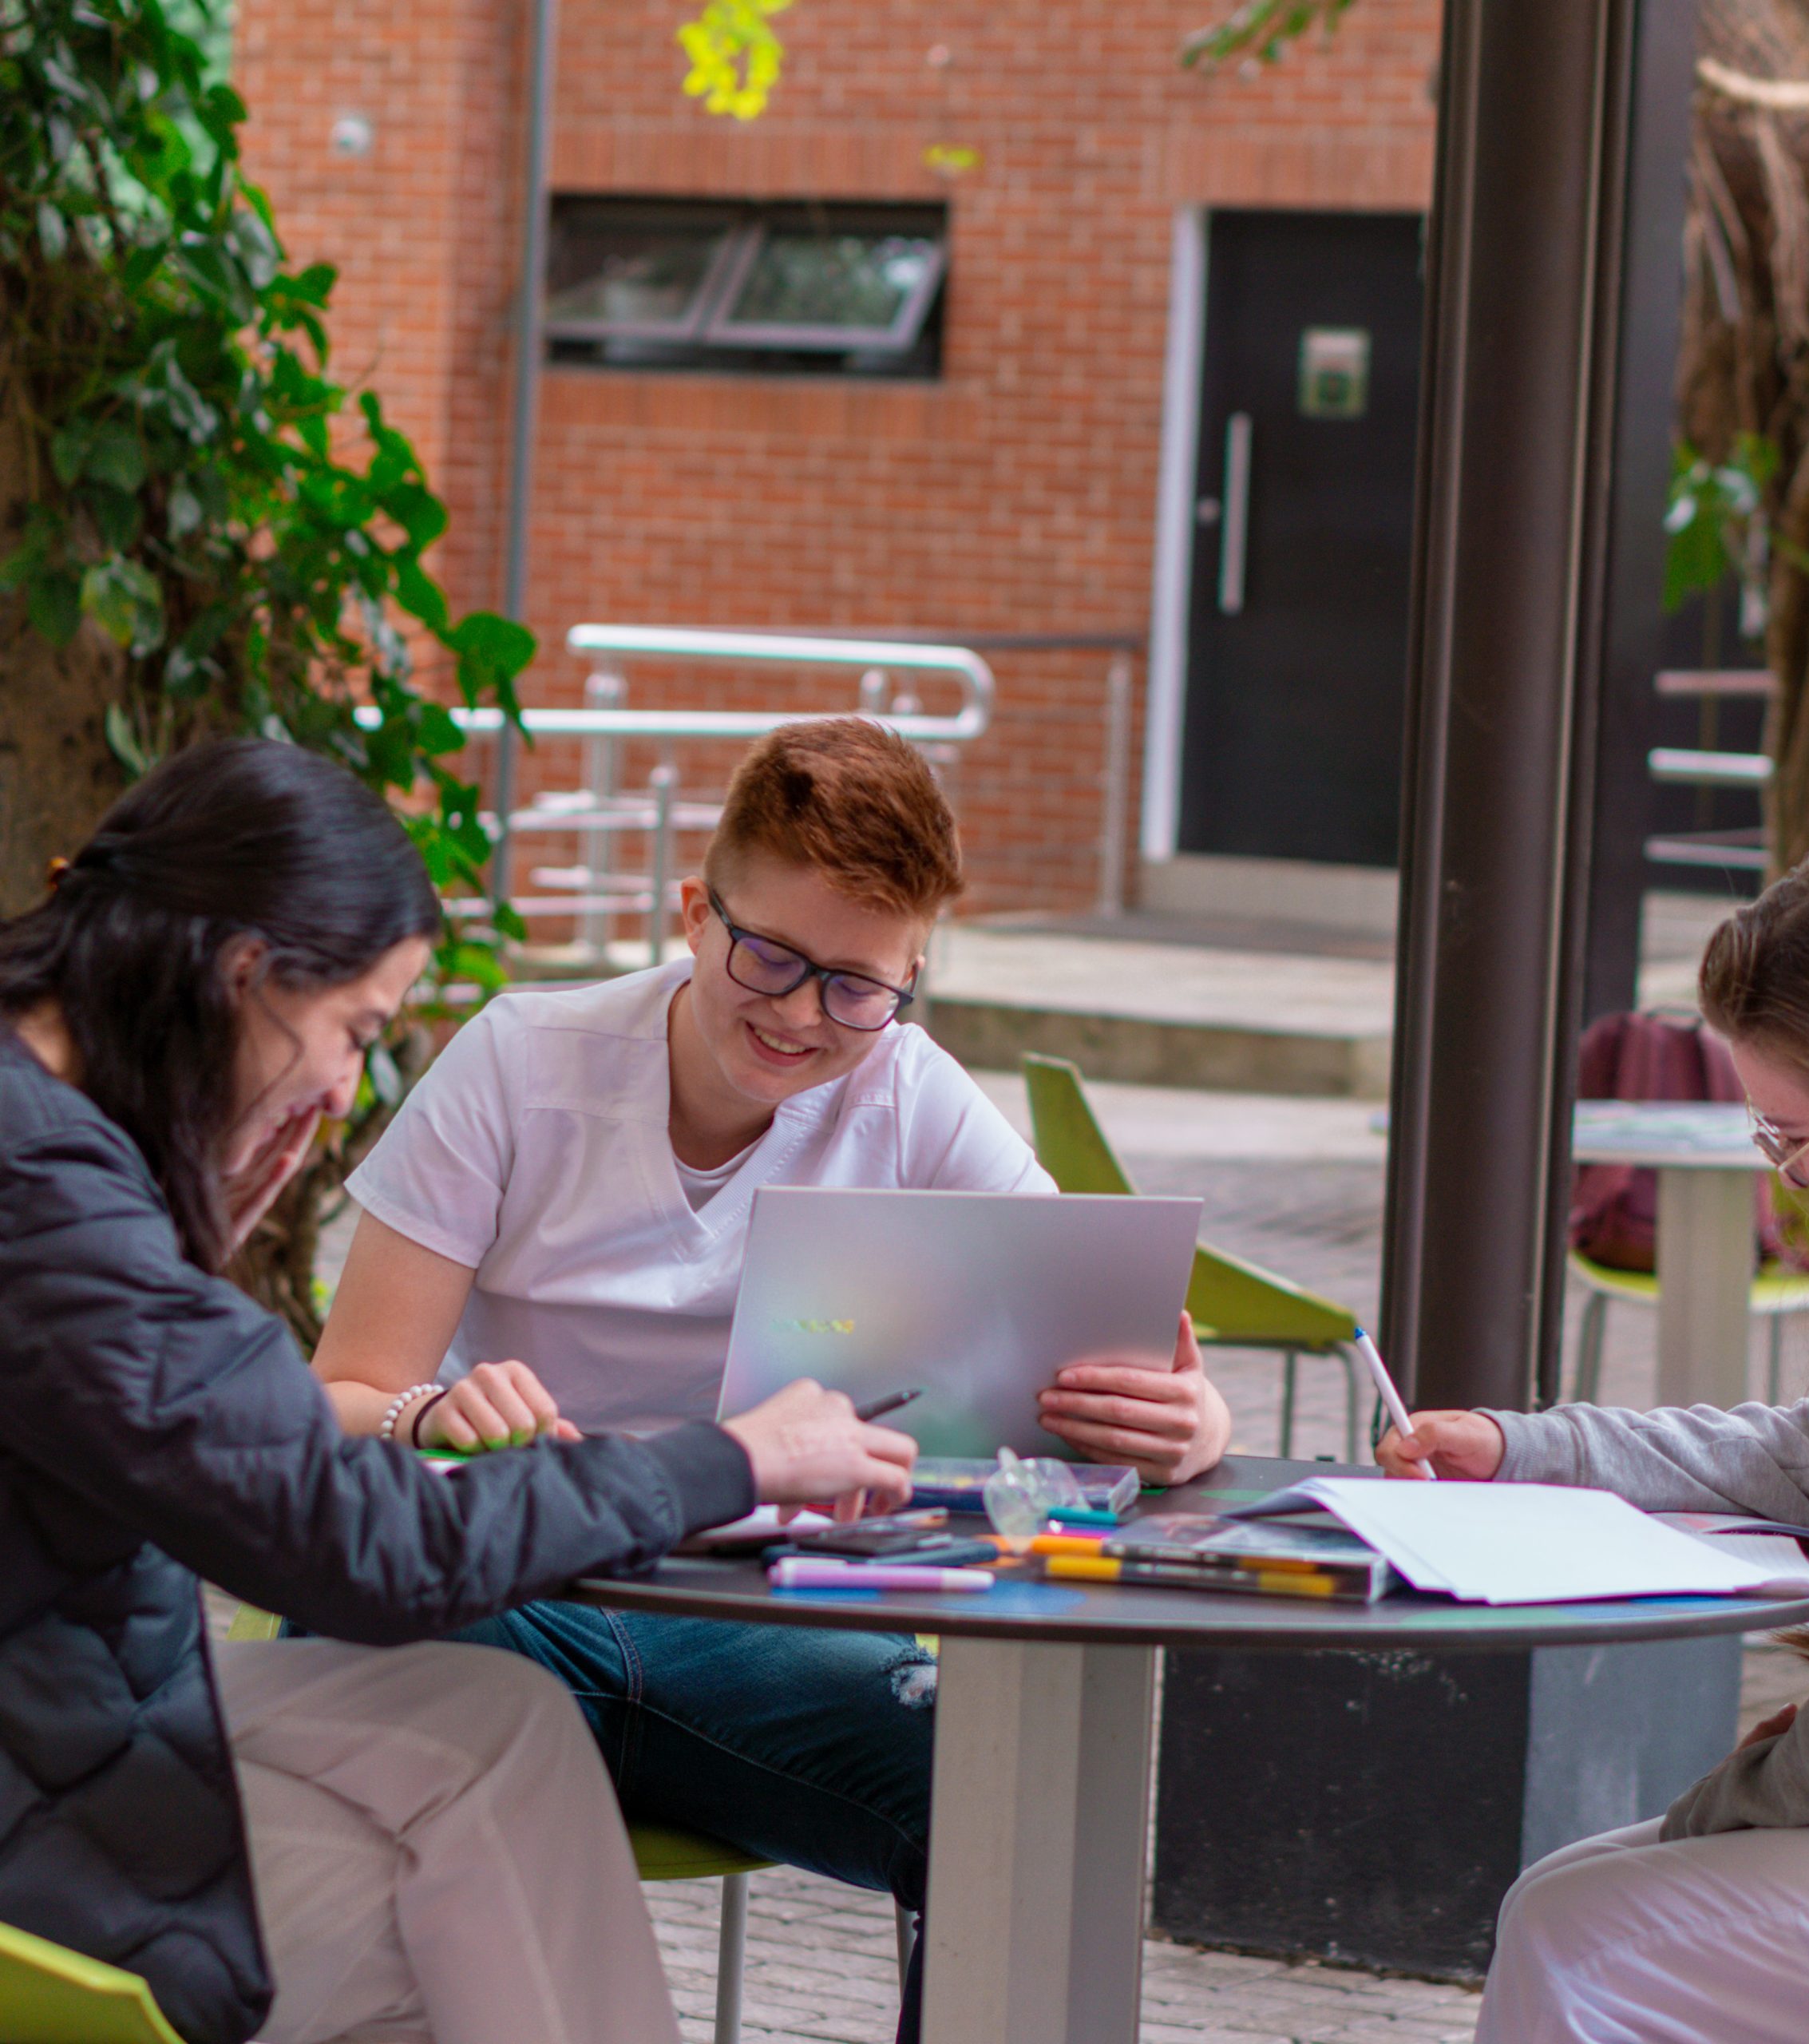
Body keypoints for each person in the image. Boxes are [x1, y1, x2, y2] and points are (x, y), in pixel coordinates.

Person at [311, 717, 1233, 2025]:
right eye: (771, 957)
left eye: (858, 987)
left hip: (750, 1624)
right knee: (394, 1654)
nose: (804, 1015)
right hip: (509, 1583)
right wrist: (430, 1411)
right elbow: (343, 1398)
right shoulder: (523, 1063)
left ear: (913, 980)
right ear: (694, 914)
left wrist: (1186, 1421)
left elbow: (1115, 1340)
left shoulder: (907, 1089)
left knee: (1001, 1800)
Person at [0, 737, 916, 2044]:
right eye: (354, 1034)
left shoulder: (51, 1137)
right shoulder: (50, 1199)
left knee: (495, 1729)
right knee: (468, 1923)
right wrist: (733, 1460)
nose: (336, 1089)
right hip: (40, 1773)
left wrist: (191, 1223)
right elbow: (354, 1542)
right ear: (243, 977)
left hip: (69, 1690)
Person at [1376, 838, 1809, 2044]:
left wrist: (1733, 1799)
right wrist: (1522, 1446)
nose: (1786, 1175)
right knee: (1573, 1916)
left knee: (1577, 1935)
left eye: (1789, 1131)